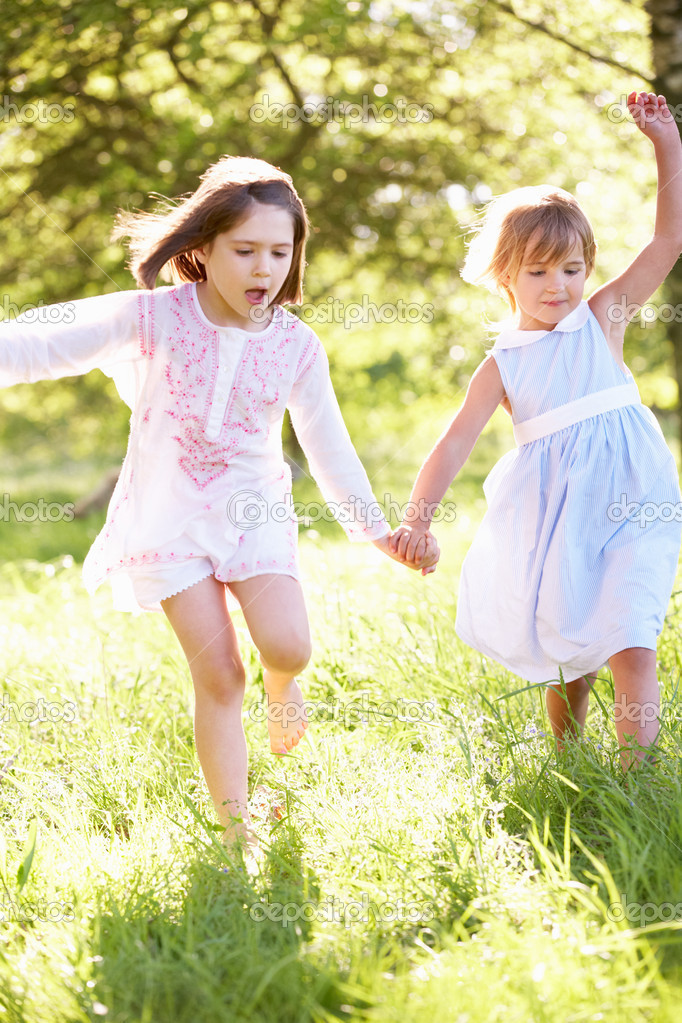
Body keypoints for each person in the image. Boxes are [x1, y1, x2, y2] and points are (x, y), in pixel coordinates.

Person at [0, 156, 439, 858]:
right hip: (170, 525)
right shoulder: (152, 319)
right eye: (245, 250)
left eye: (279, 250)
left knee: (289, 645)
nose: (263, 267)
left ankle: (283, 681)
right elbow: (43, 341)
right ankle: (236, 832)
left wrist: (377, 530)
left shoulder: (296, 345)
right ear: (200, 250)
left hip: (254, 519)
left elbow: (329, 445)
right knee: (220, 674)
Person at [390, 91, 682, 770]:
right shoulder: (505, 362)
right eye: (540, 271)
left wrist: (666, 144)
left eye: (572, 269)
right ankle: (570, 757)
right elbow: (455, 440)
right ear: (505, 276)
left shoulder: (603, 318)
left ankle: (637, 778)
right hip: (557, 514)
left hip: (636, 499)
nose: (560, 285)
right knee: (568, 646)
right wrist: (418, 518)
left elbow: (669, 240)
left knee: (633, 636)